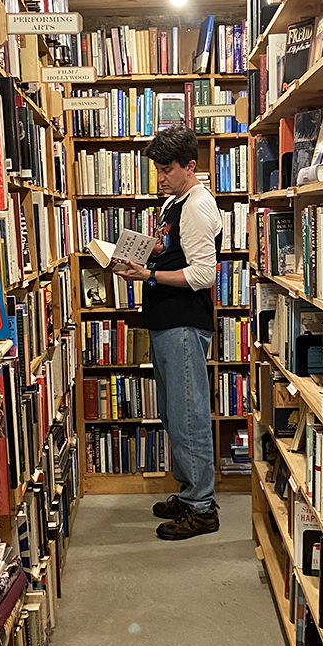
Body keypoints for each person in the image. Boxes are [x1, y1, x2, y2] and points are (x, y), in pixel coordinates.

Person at [114, 126, 222, 541]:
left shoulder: (196, 206)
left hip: (183, 322)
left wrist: (149, 273)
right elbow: (180, 250)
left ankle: (201, 507)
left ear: (190, 167)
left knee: (189, 414)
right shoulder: (176, 203)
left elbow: (203, 273)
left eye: (167, 169)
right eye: (157, 168)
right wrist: (153, 250)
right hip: (166, 320)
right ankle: (190, 490)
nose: (159, 177)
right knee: (174, 412)